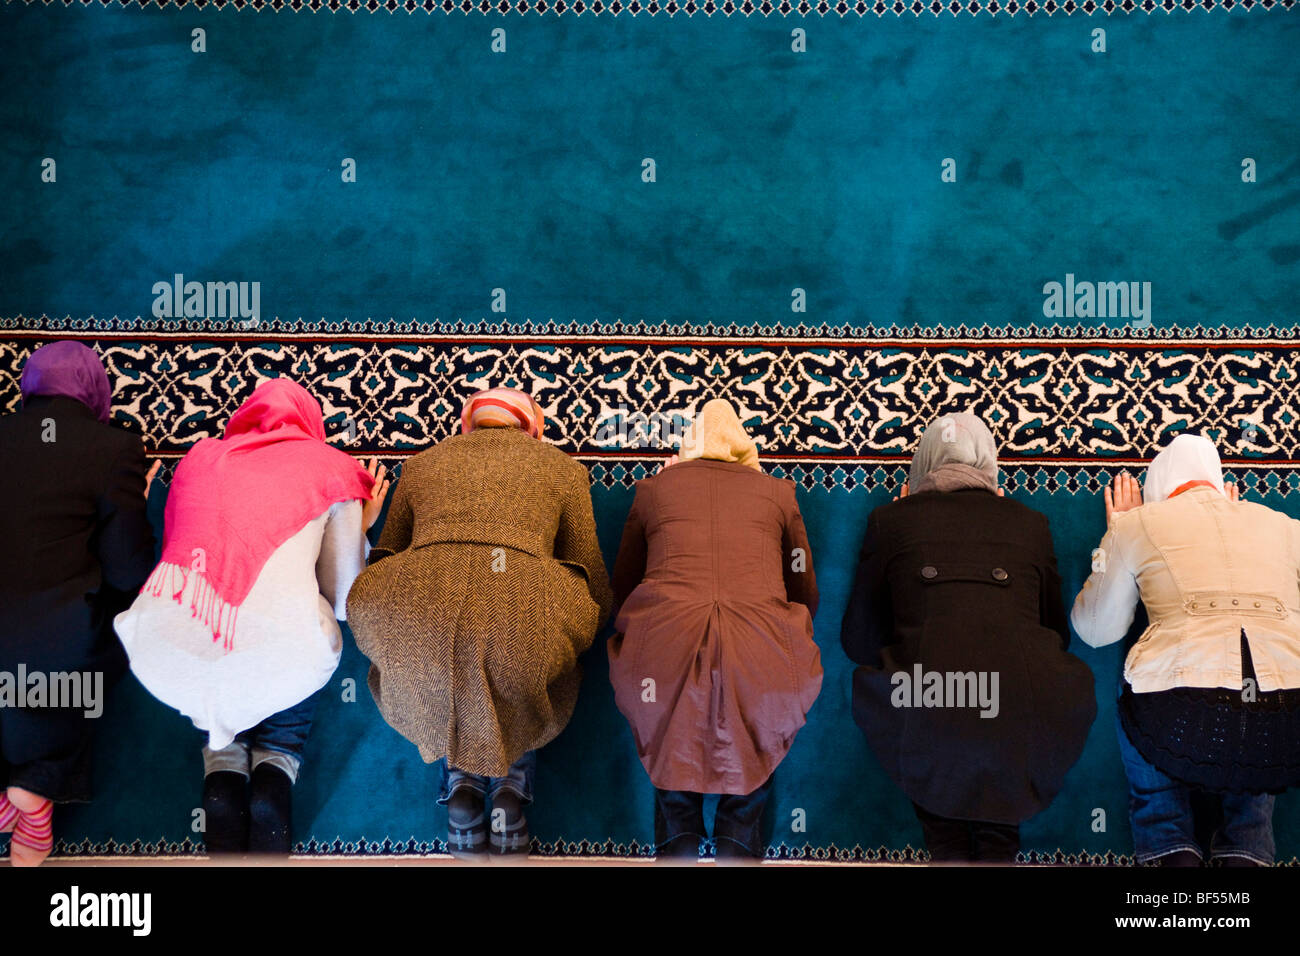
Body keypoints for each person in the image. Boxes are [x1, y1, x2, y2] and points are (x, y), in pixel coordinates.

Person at [114, 378, 386, 855]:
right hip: (277, 663)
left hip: (160, 657)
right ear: (311, 427)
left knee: (207, 610)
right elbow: (345, 601)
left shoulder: (198, 459)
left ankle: (223, 760)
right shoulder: (332, 471)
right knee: (305, 622)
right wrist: (360, 528)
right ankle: (276, 763)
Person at [347, 386, 612, 856]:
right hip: (524, 596)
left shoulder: (422, 464)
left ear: (466, 424)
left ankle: (462, 784)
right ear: (532, 428)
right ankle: (510, 784)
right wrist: (588, 620)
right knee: (528, 652)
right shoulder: (565, 471)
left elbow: (387, 551)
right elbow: (588, 569)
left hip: (420, 601)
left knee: (439, 652)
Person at [841, 411, 1095, 863]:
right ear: (988, 465)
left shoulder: (888, 521)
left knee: (945, 825)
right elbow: (1057, 633)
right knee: (999, 825)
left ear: (923, 464)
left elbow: (857, 641)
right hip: (1021, 716)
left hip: (928, 714)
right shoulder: (1030, 523)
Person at [1072, 433, 1300, 867]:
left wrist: (1119, 531)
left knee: (1135, 677)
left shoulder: (1138, 524)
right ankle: (1248, 847)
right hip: (1286, 727)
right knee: (1273, 693)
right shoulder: (1288, 528)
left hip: (1178, 717)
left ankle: (1166, 841)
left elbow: (1096, 629)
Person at [608, 398, 821, 862]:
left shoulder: (653, 490)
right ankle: (737, 846)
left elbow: (622, 585)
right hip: (761, 659)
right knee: (751, 760)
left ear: (688, 445)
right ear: (746, 448)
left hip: (660, 658)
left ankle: (678, 845)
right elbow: (804, 588)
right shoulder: (779, 492)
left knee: (672, 758)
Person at [0, 342, 157, 866]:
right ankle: (34, 790)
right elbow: (129, 572)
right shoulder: (115, 450)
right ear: (95, 389)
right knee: (102, 628)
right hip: (58, 640)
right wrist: (136, 504)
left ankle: (24, 795)